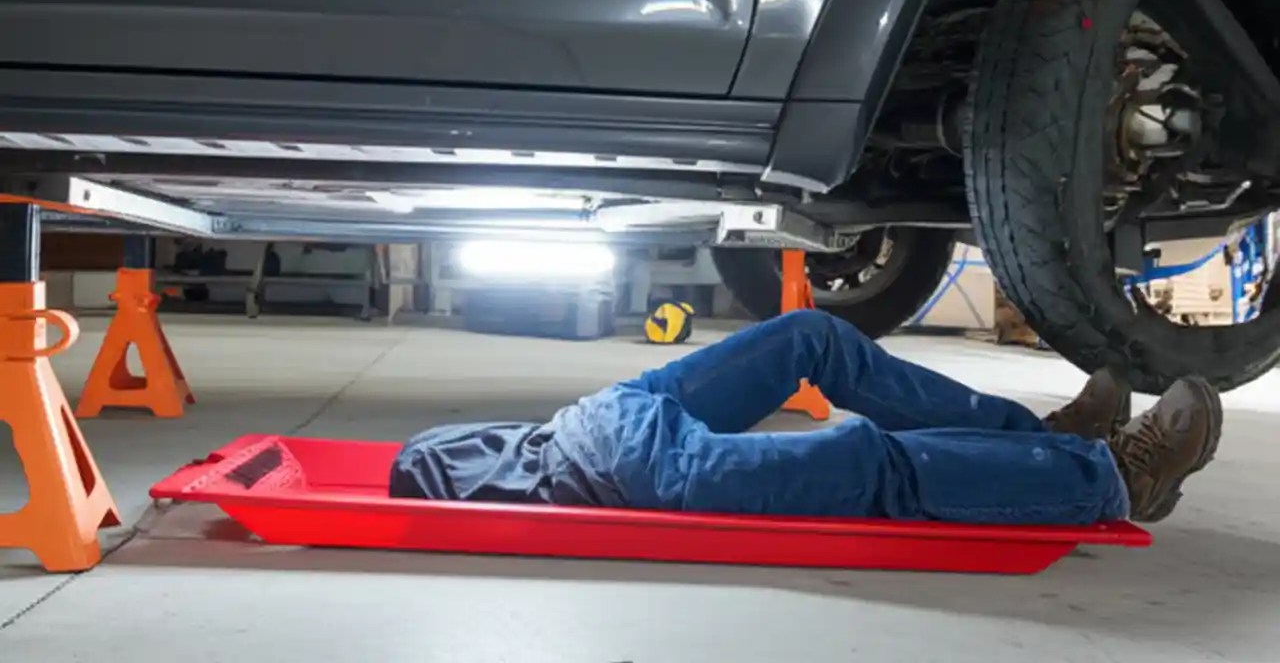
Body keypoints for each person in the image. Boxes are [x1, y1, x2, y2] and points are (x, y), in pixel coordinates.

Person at [390, 310, 1223, 524]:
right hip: (616, 472)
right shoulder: (418, 480)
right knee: (863, 461)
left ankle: (1049, 440)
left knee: (811, 338)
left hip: (609, 417)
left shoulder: (427, 459)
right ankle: (1114, 477)